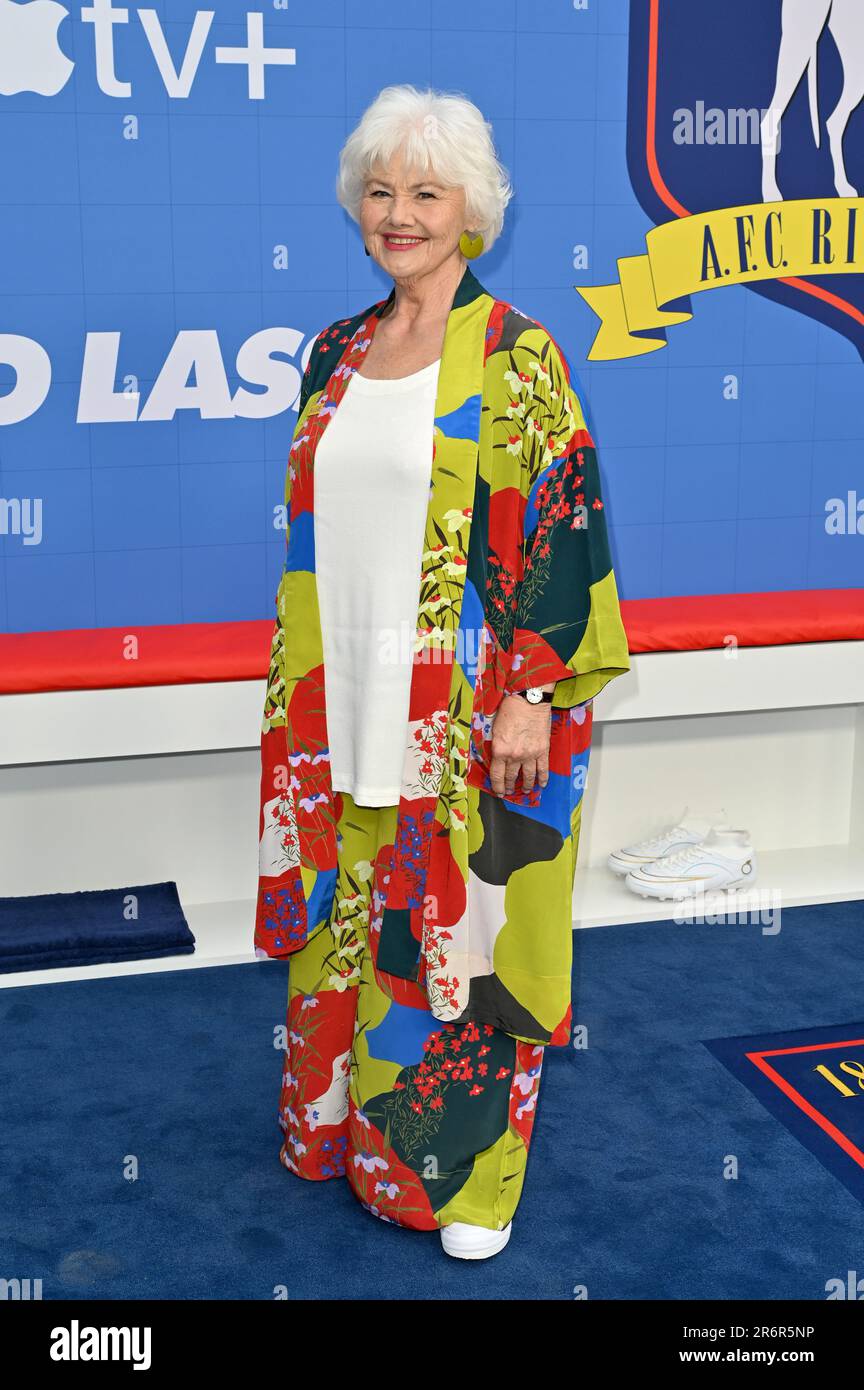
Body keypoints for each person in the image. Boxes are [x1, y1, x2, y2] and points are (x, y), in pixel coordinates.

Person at [254, 84, 631, 1259]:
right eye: (381, 190)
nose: (399, 213)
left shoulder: (517, 355)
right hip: (343, 711)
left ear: (474, 212)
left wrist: (532, 689)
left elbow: (564, 527)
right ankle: (342, 1132)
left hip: (470, 715)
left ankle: (464, 1184)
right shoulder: (334, 351)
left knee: (460, 946)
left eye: (426, 192)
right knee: (349, 922)